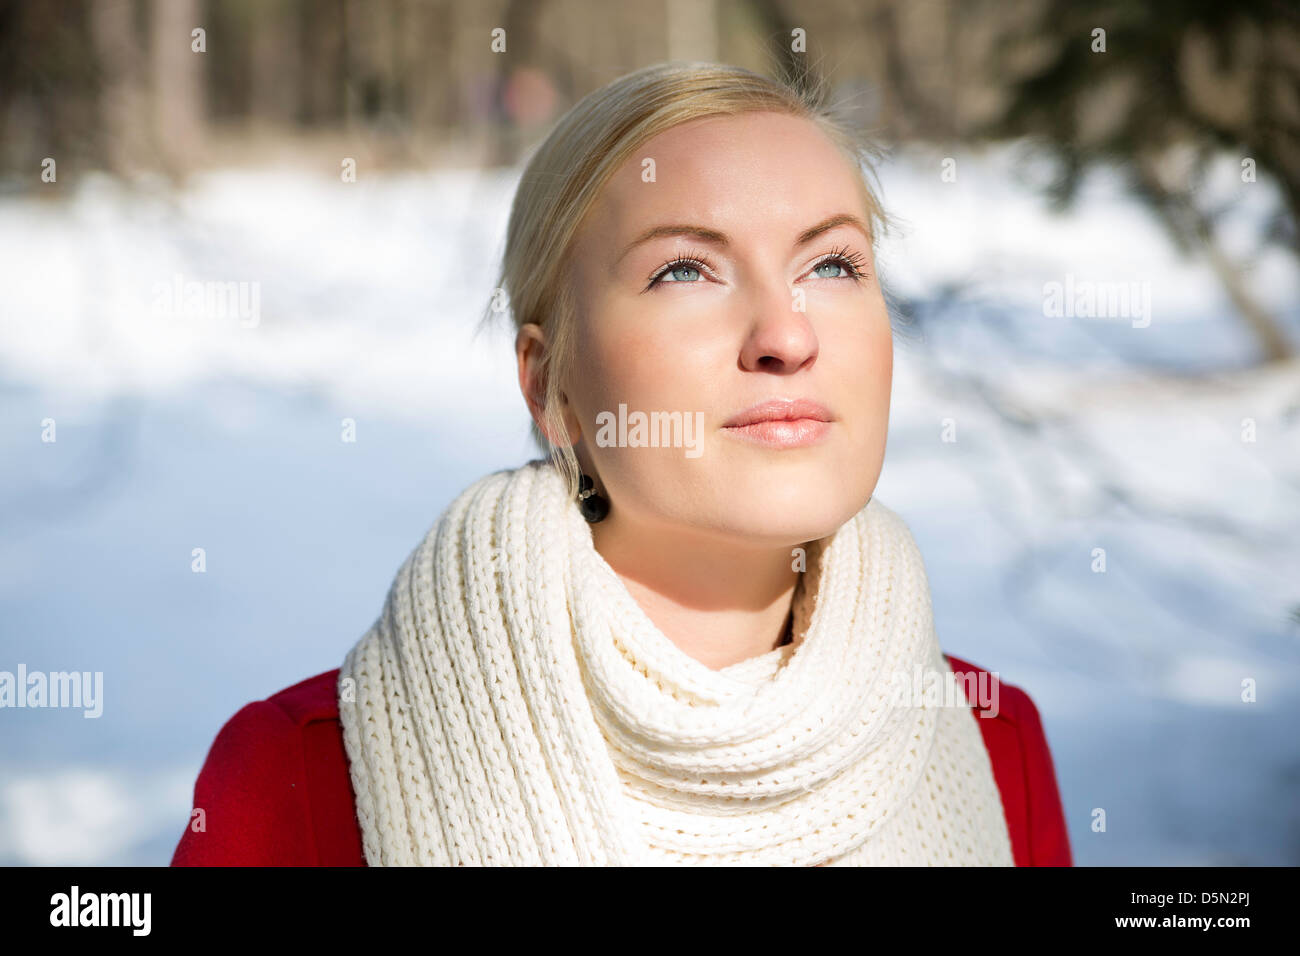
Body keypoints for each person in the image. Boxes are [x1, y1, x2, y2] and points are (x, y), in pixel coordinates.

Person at [172, 61, 1071, 867]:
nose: (787, 335)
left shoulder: (996, 742)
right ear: (551, 388)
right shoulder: (302, 775)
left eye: (832, 264)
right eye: (685, 271)